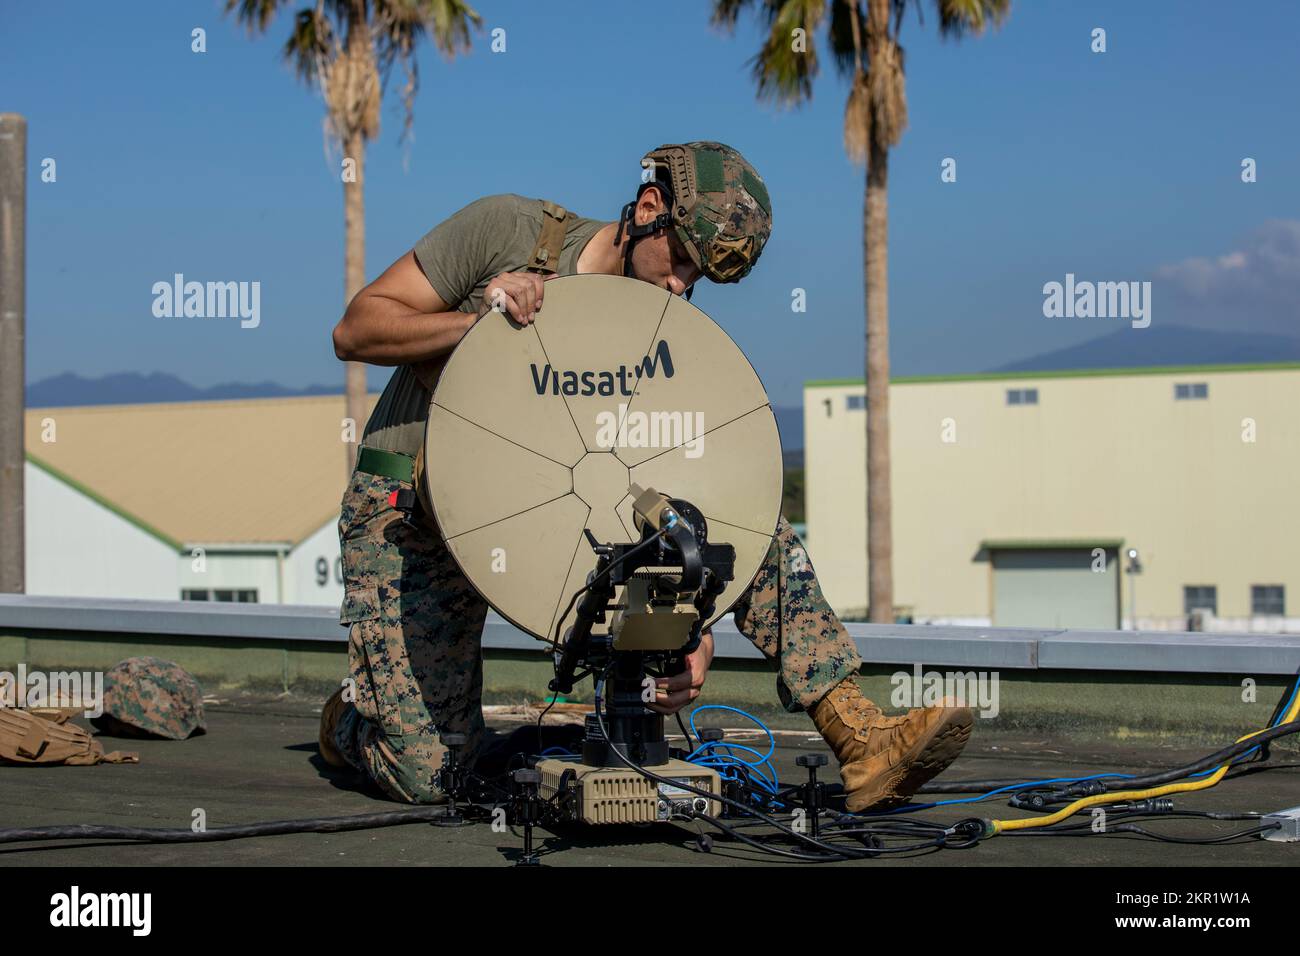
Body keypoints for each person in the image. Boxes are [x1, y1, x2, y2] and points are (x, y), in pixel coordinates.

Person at [320, 141, 972, 812]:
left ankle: (857, 732)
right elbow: (356, 329)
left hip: (542, 500)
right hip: (409, 512)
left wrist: (698, 620)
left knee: (747, 519)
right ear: (649, 209)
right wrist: (481, 325)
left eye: (697, 278)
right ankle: (351, 716)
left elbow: (670, 490)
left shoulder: (656, 332)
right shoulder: (509, 230)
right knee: (430, 777)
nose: (681, 287)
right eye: (681, 260)